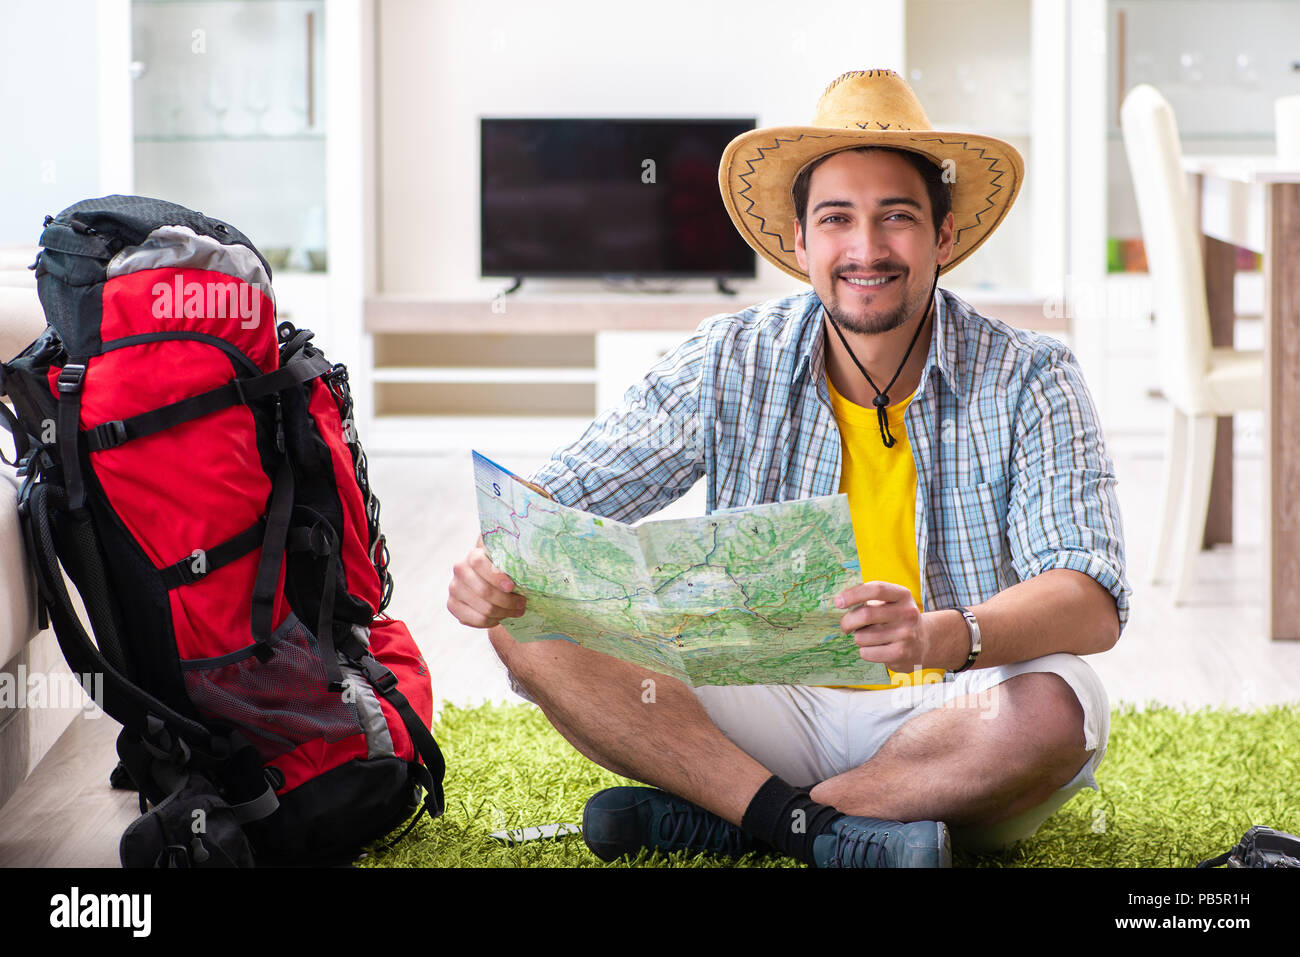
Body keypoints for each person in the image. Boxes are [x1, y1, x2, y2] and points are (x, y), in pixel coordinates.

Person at [446, 69, 1130, 868]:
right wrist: (493, 562)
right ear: (801, 243)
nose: (866, 249)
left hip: (948, 709)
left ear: (943, 238)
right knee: (529, 623)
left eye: (897, 218)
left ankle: (748, 817)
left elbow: (1089, 596)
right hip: (764, 702)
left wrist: (941, 636)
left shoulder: (1032, 374)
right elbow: (560, 495)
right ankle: (834, 831)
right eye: (837, 219)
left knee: (1059, 706)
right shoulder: (731, 355)